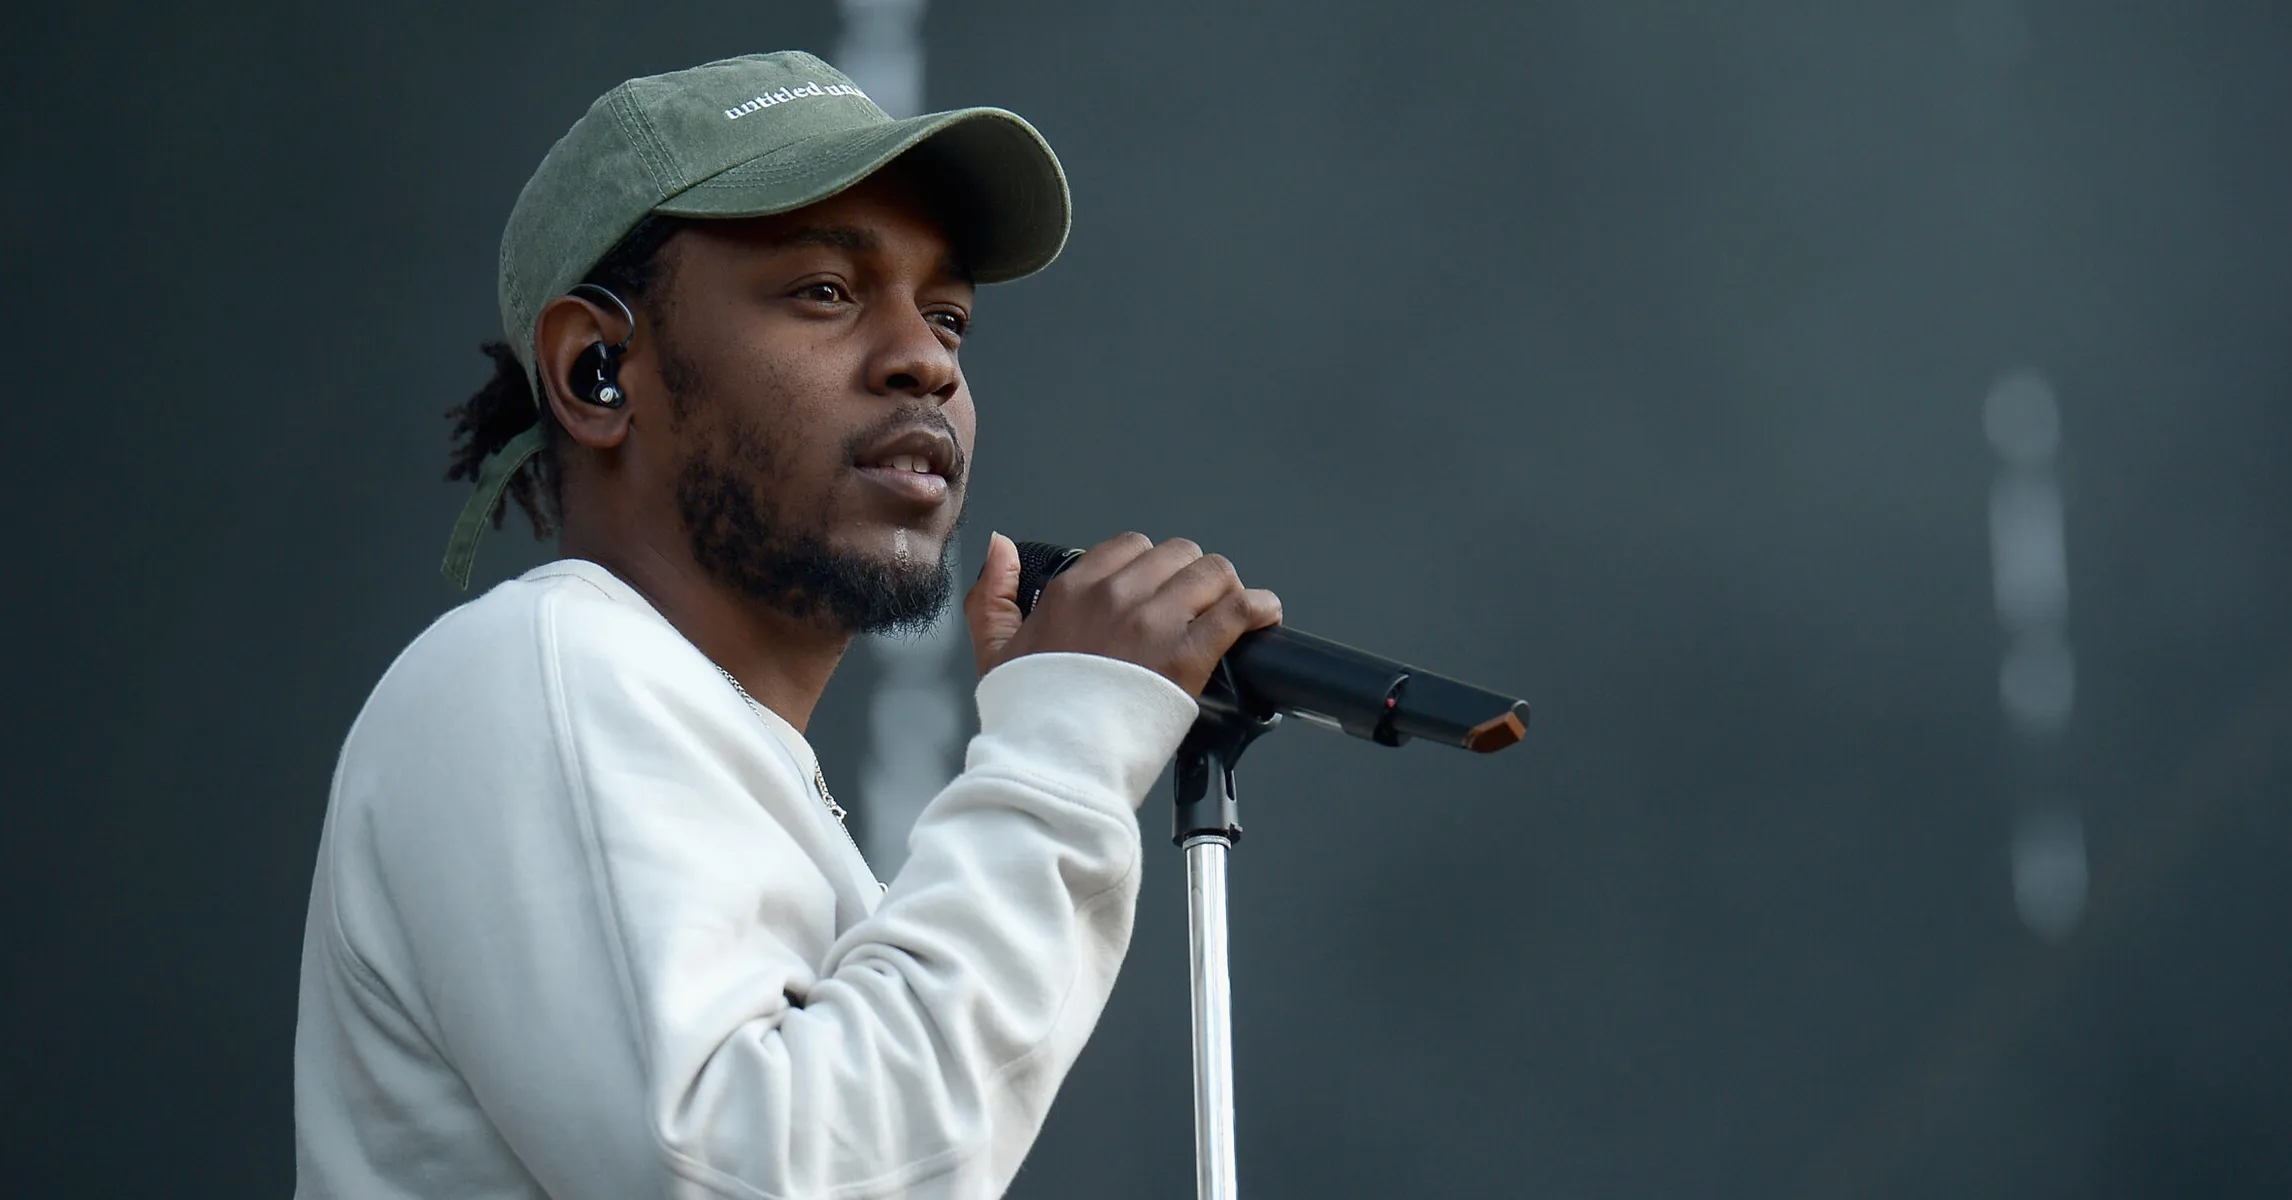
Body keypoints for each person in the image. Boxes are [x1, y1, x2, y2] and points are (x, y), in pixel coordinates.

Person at [293, 51, 1281, 1199]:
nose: (925, 358)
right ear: (596, 370)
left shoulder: (711, 755)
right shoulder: (536, 664)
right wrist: (1062, 760)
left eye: (949, 317)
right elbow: (753, 1172)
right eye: (824, 291)